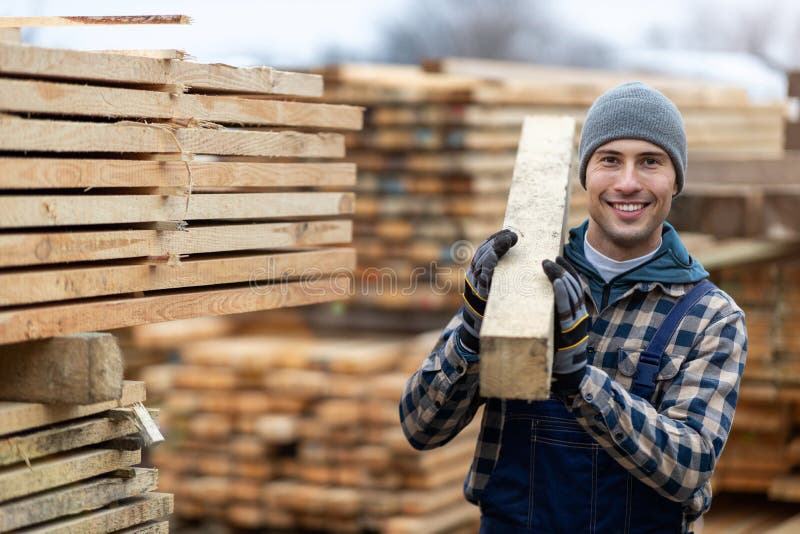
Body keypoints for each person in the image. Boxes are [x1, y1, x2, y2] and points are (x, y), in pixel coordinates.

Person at [399, 82, 747, 534]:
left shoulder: (711, 317)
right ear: (585, 174)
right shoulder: (521, 282)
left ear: (675, 180)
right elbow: (420, 427)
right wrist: (470, 339)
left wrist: (580, 381)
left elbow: (690, 466)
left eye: (650, 161)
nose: (627, 182)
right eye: (609, 159)